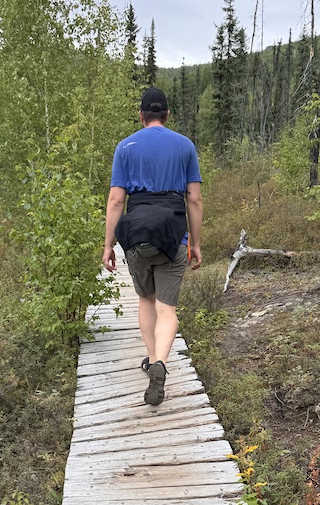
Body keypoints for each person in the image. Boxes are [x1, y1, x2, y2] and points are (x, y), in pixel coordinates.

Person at [102, 87, 202, 406]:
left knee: (146, 301)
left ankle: (151, 359)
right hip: (173, 231)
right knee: (166, 308)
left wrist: (108, 245)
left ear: (141, 115)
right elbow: (195, 199)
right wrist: (195, 243)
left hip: (137, 231)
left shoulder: (125, 147)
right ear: (167, 115)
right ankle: (161, 362)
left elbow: (117, 200)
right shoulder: (185, 146)